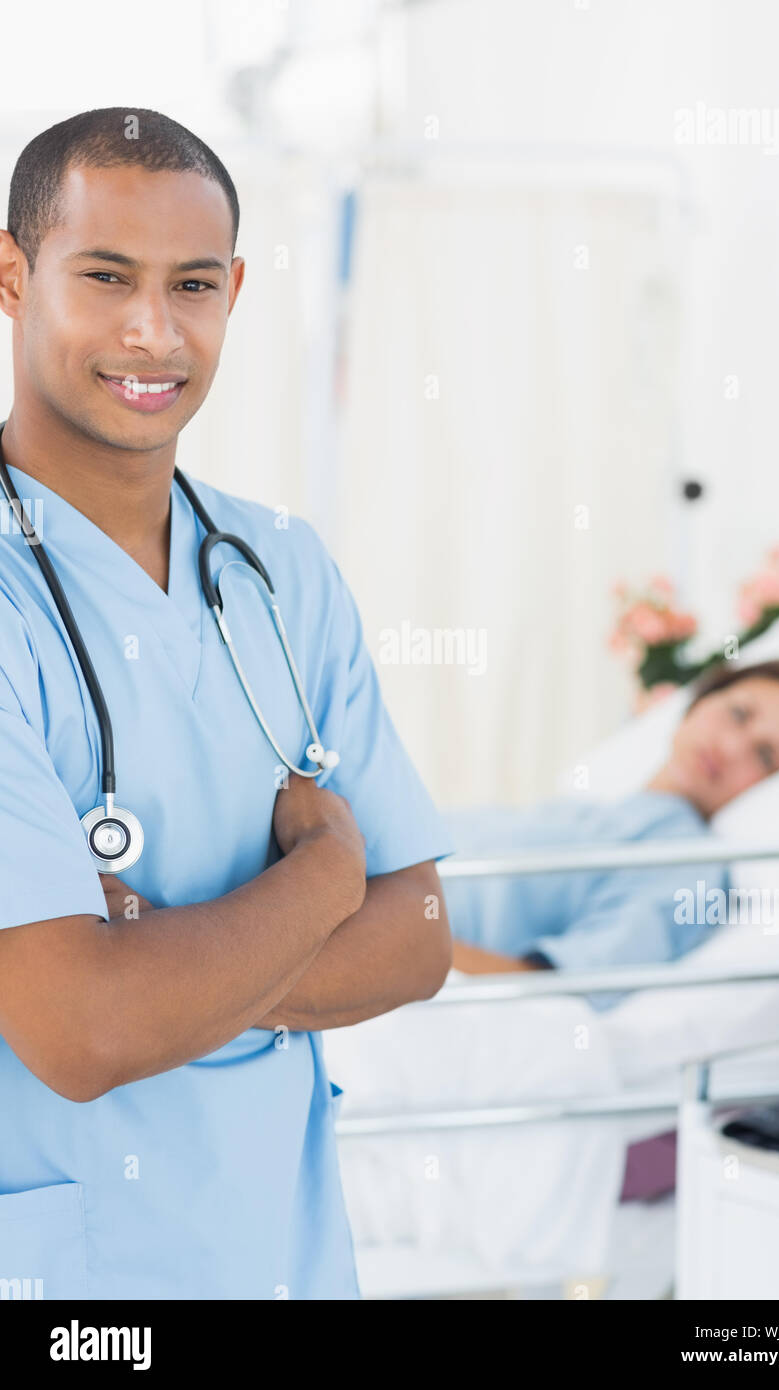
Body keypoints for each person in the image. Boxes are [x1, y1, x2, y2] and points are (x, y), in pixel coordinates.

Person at [0, 108, 456, 1300]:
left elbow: (417, 939)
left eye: (192, 284)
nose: (153, 330)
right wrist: (319, 879)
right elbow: (81, 1036)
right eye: (106, 276)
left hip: (282, 1257)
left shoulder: (281, 568)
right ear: (11, 275)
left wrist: (153, 969)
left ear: (234, 292)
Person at [442, 660, 779, 991]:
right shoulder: (586, 810)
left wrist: (395, 945)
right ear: (699, 701)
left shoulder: (688, 870)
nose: (731, 747)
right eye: (738, 714)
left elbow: (555, 990)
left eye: (765, 755)